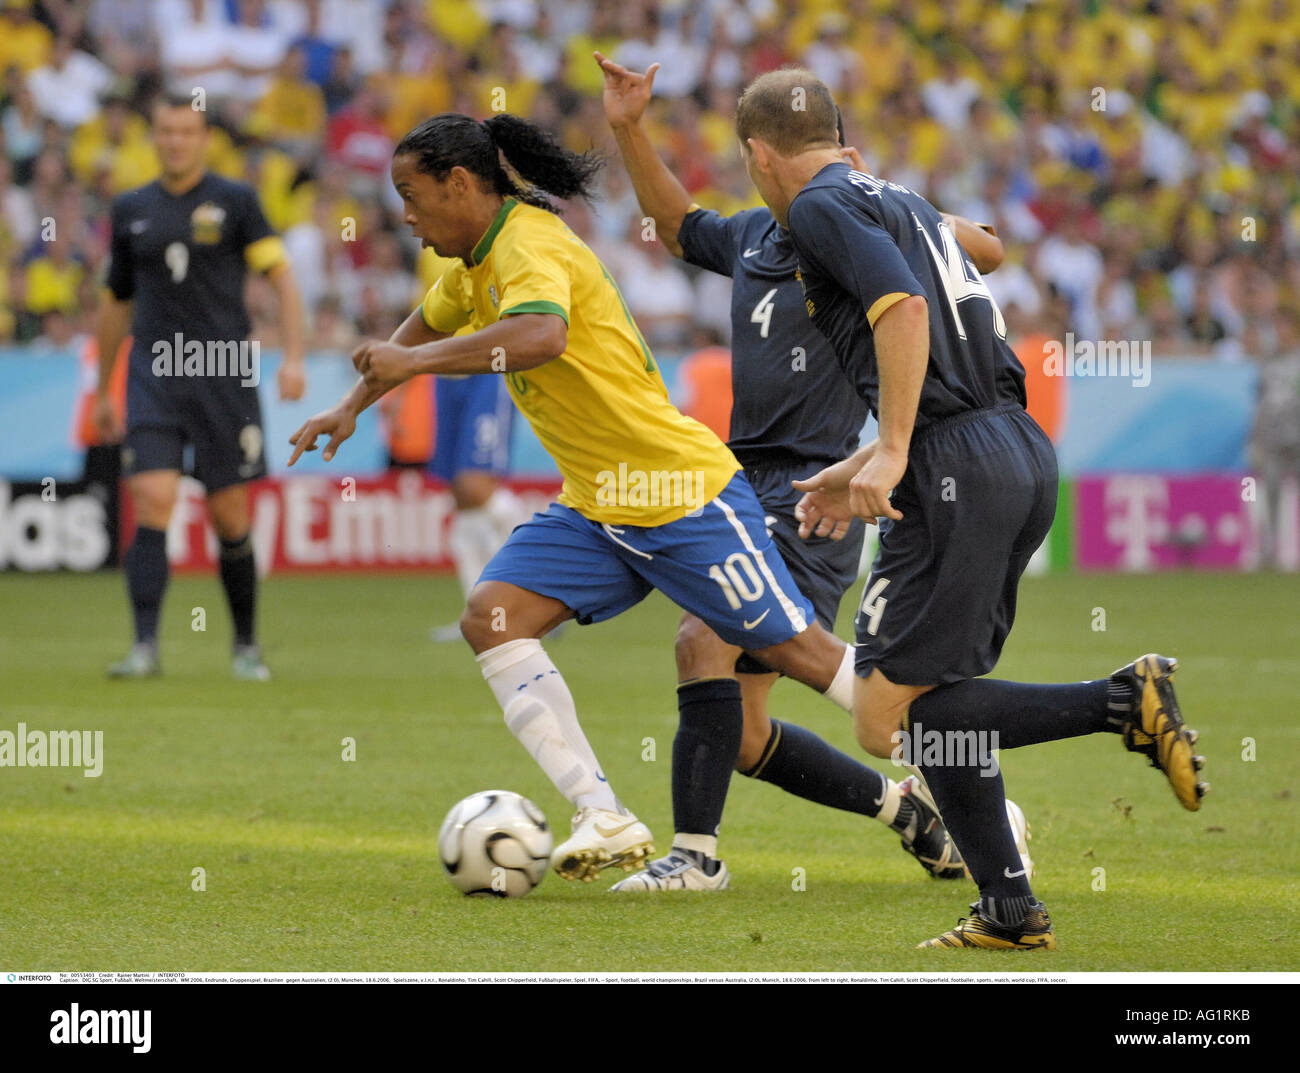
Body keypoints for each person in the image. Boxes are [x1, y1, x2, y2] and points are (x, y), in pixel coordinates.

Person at [287, 111, 871, 884]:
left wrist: (413, 362)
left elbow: (540, 337)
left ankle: (974, 792)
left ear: (461, 184)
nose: (406, 215)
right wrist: (353, 402)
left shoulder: (529, 244)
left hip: (678, 493)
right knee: (491, 615)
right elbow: (421, 323)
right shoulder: (474, 264)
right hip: (600, 504)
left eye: (411, 194)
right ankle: (603, 813)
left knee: (806, 658)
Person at [735, 69, 1207, 948]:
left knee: (884, 717)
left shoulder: (818, 210)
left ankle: (1122, 699)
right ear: (841, 139)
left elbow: (905, 310)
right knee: (937, 699)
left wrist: (898, 449)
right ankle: (1010, 906)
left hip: (951, 460)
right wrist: (860, 462)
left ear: (759, 156)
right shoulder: (892, 197)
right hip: (1014, 444)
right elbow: (984, 252)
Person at [597, 52, 1027, 892]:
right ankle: (914, 808)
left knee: (702, 640)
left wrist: (884, 198)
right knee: (747, 728)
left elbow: (985, 247)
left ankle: (698, 856)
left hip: (813, 486)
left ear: (760, 152)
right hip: (742, 480)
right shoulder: (758, 234)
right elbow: (677, 221)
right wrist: (628, 129)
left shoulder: (843, 222)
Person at [95, 93, 306, 680]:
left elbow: (283, 280)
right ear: (154, 136)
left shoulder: (236, 201)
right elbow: (115, 303)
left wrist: (292, 358)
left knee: (229, 516)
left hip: (223, 375)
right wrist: (101, 388)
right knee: (154, 499)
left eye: (186, 132)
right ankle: (144, 648)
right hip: (154, 374)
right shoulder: (130, 209)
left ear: (204, 137)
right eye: (165, 131)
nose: (175, 141)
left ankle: (244, 646)